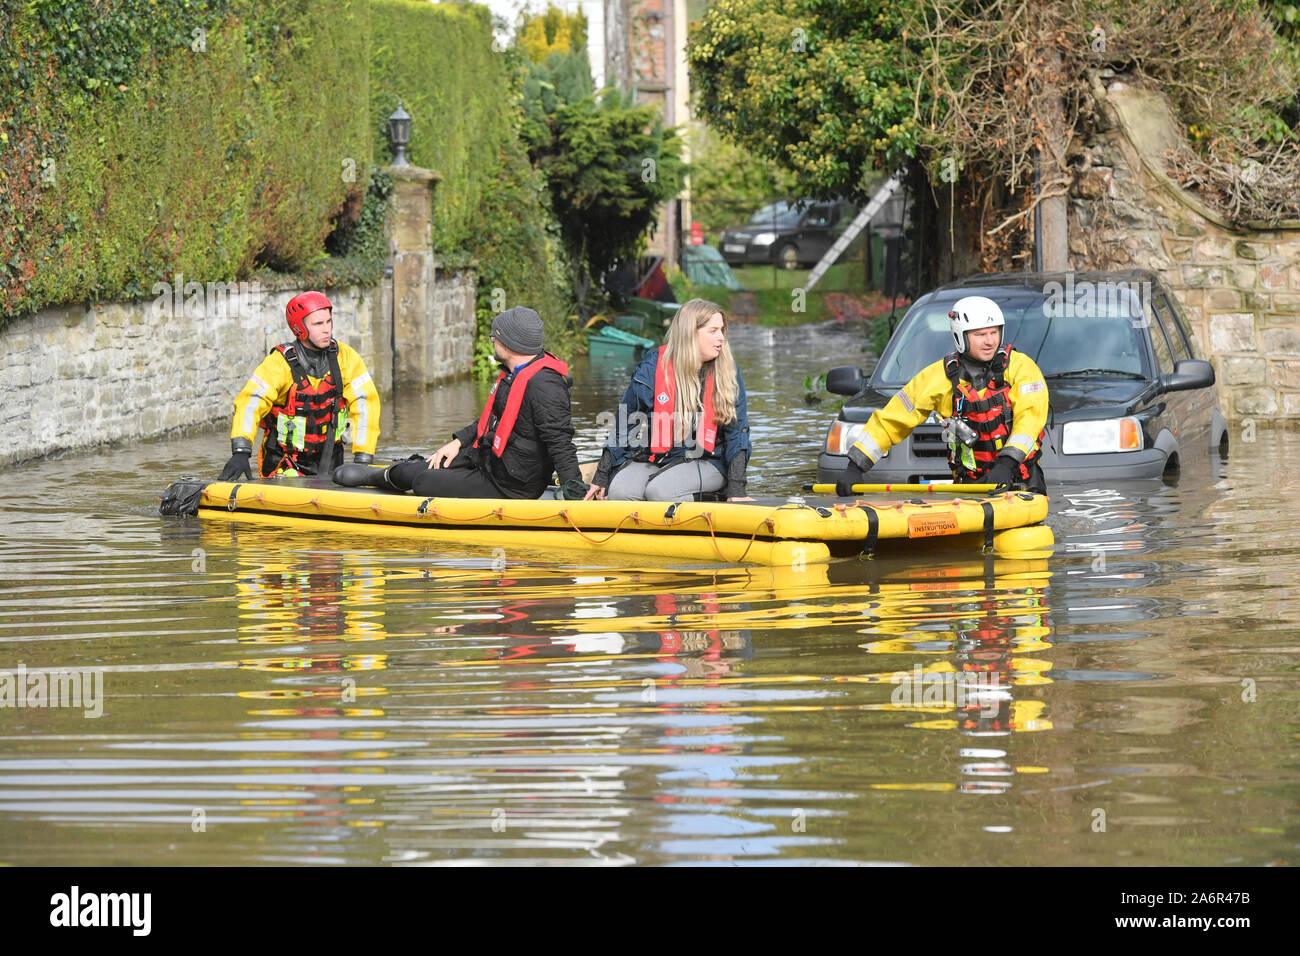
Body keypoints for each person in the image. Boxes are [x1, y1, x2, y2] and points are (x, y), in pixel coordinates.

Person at [334, 306, 585, 499]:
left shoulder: (545, 386)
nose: (492, 341)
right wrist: (459, 442)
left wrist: (574, 491)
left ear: (510, 344)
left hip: (512, 485)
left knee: (423, 482)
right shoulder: (514, 374)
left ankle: (407, 475)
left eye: (495, 337)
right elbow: (491, 421)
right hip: (489, 460)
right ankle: (379, 476)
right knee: (419, 469)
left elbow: (560, 442)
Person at [837, 295, 1049, 496]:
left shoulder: (1022, 367)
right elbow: (892, 420)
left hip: (1022, 481)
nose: (989, 341)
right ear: (960, 336)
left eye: (994, 332)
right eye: (980, 335)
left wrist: (1007, 463)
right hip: (970, 487)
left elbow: (1031, 419)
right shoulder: (938, 378)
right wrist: (855, 467)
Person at [586, 298, 753, 502]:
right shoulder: (652, 367)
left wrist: (737, 489)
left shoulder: (728, 373)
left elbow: (738, 432)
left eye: (722, 330)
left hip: (709, 460)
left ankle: (705, 510)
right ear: (690, 333)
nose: (721, 338)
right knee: (620, 493)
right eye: (713, 331)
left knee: (661, 492)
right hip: (660, 456)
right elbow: (625, 422)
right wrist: (602, 474)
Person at [219, 291, 381, 480]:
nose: (326, 329)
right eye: (318, 324)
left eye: (329, 321)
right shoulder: (278, 364)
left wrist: (363, 460)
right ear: (299, 329)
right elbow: (251, 403)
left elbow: (366, 405)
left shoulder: (346, 358)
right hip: (283, 465)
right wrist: (241, 451)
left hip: (331, 463)